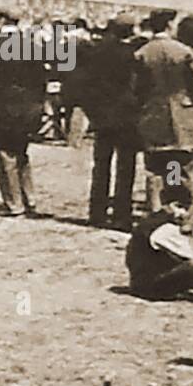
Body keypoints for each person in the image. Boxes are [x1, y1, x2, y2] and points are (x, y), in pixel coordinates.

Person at [134, 10, 193, 234]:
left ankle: (159, 213)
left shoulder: (142, 53)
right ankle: (183, 214)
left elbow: (137, 89)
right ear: (168, 25)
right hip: (181, 117)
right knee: (178, 165)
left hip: (153, 116)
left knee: (157, 166)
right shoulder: (183, 52)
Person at [0, 9, 48, 216]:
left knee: (6, 154)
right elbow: (43, 77)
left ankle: (14, 202)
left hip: (4, 106)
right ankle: (30, 198)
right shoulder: (34, 46)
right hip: (29, 107)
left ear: (2, 20)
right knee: (22, 152)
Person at [78, 13, 141, 229]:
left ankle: (97, 212)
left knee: (101, 166)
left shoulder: (96, 52)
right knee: (126, 168)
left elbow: (85, 85)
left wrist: (93, 112)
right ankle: (122, 214)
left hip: (103, 117)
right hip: (127, 117)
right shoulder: (133, 54)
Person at [126, 191, 193, 300]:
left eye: (186, 209)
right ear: (172, 205)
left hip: (140, 280)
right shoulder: (166, 228)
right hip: (148, 287)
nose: (184, 214)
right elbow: (192, 259)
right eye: (182, 208)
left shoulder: (153, 219)